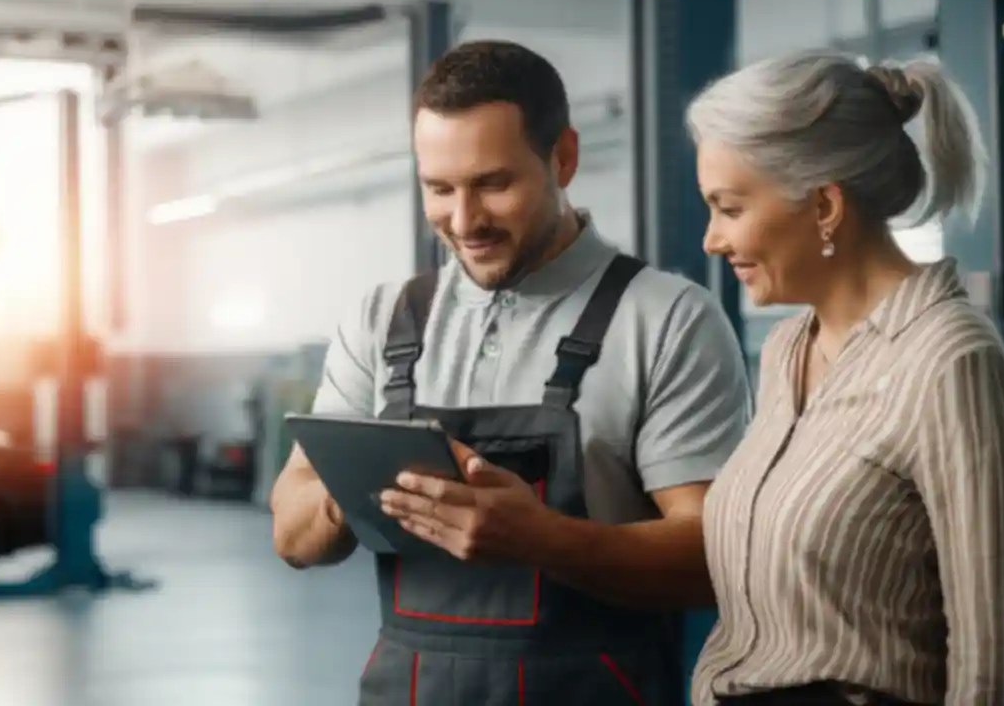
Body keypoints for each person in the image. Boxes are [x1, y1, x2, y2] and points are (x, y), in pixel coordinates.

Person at [271, 40, 750, 705]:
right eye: (439, 189)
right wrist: (351, 494)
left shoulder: (668, 320)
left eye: (494, 184)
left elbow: (712, 561)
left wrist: (541, 539)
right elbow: (292, 537)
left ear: (564, 158)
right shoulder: (382, 323)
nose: (464, 222)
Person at [684, 51, 1004, 705]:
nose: (711, 239)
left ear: (823, 205)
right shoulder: (788, 349)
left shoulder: (951, 363)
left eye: (729, 209)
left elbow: (995, 673)